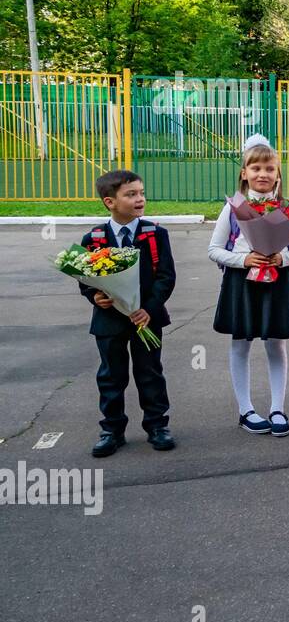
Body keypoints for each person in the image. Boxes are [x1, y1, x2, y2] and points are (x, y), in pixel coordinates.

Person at [208, 135, 289, 437]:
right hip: (242, 283)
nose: (262, 174)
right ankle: (246, 410)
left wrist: (283, 258)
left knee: (276, 344)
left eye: (269, 168)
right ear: (244, 173)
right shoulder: (234, 208)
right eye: (255, 168)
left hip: (278, 282)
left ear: (278, 174)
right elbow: (214, 249)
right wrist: (244, 260)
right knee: (240, 343)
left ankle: (277, 409)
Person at [81, 170, 176, 458]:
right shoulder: (94, 238)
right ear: (110, 201)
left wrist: (149, 309)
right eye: (131, 194)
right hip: (109, 322)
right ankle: (112, 430)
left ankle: (157, 426)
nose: (140, 199)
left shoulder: (156, 235)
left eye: (141, 193)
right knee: (111, 376)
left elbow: (166, 277)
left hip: (146, 319)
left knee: (150, 373)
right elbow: (86, 279)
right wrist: (96, 297)